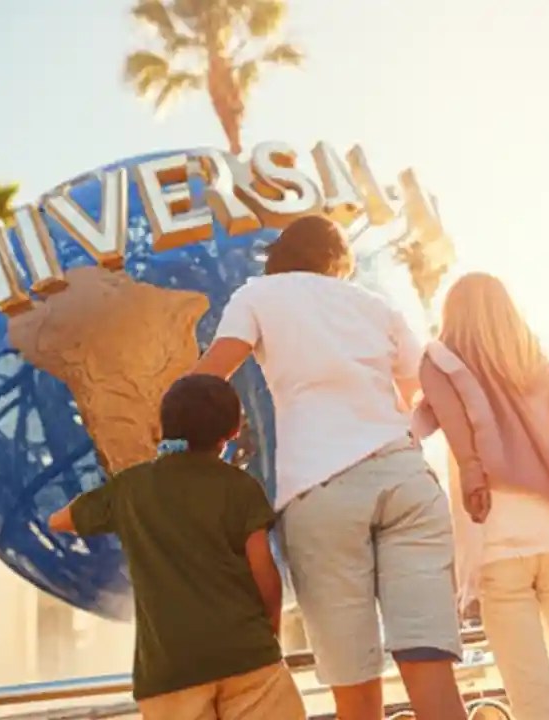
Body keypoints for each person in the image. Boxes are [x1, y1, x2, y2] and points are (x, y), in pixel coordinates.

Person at [192, 214, 467, 720]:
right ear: (339, 262)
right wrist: (409, 435)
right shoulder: (375, 305)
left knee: (355, 687)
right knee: (429, 668)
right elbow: (427, 390)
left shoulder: (258, 295)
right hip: (404, 479)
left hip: (321, 491)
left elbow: (208, 380)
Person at [411, 272, 549, 720]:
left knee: (530, 693)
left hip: (496, 545)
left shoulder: (442, 368)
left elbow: (431, 432)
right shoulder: (540, 368)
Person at [47, 374, 305, 720]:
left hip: (169, 672)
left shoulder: (131, 488)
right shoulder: (240, 487)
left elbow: (59, 521)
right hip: (247, 655)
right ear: (232, 432)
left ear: (164, 428)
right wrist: (269, 635)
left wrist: (121, 506)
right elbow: (265, 573)